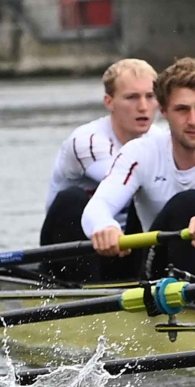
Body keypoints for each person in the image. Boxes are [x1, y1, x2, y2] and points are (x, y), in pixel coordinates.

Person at [81, 57, 195, 281]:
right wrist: (105, 226)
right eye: (182, 110)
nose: (193, 121)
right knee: (186, 203)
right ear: (164, 111)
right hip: (162, 268)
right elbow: (99, 205)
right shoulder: (139, 153)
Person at [39, 56, 160, 265]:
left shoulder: (160, 138)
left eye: (150, 96)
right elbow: (126, 180)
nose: (143, 106)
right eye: (132, 97)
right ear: (109, 102)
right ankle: (74, 288)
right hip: (78, 247)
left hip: (129, 247)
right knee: (72, 198)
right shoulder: (87, 141)